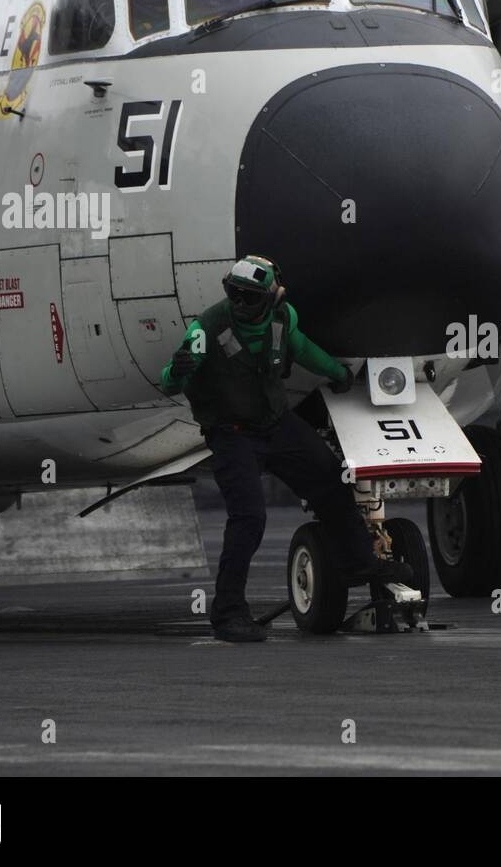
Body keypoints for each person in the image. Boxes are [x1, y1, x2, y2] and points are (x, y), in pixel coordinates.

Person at [161, 256, 410, 642]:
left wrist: (338, 373)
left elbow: (304, 349)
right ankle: (227, 615)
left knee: (331, 480)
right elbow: (169, 383)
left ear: (273, 298)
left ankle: (359, 565)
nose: (240, 303)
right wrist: (176, 371)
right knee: (248, 519)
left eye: (249, 297)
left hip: (275, 424)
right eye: (234, 294)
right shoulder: (206, 328)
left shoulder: (283, 319)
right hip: (231, 433)